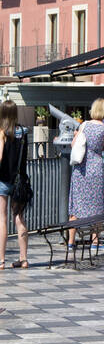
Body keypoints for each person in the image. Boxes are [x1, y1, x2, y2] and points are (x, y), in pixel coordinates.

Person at [68, 98, 104, 251]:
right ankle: (95, 242)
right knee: (97, 206)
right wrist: (99, 149)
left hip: (80, 169)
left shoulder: (84, 125)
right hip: (96, 170)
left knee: (76, 205)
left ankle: (71, 242)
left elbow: (73, 144)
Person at [0, 101, 30, 269]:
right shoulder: (23, 132)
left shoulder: (2, 133)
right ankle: (24, 259)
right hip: (21, 181)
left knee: (2, 220)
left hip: (3, 180)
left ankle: (1, 260)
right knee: (19, 218)